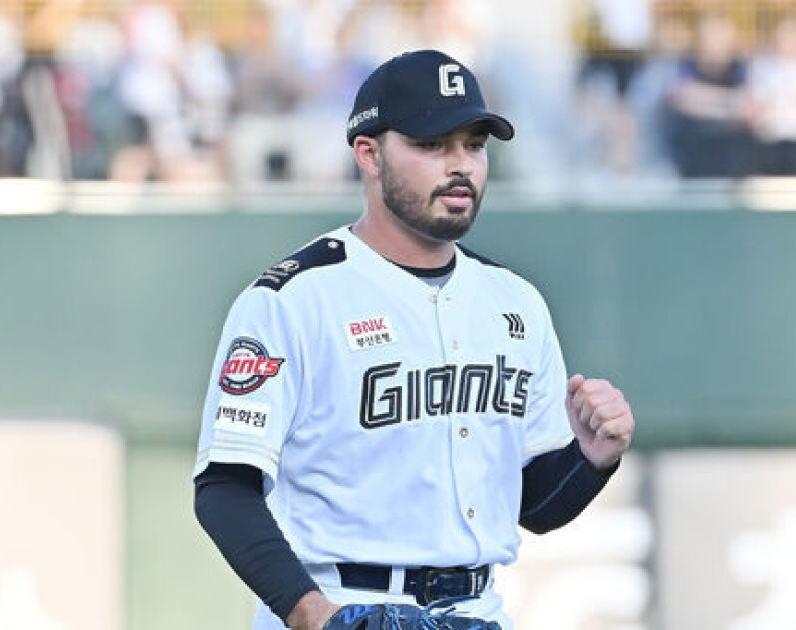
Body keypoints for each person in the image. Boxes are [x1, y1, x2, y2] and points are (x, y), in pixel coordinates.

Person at [192, 49, 635, 630]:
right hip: (338, 599)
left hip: (475, 609)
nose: (461, 166)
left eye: (474, 144)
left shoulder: (516, 302)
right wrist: (312, 613)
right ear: (369, 154)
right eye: (433, 144)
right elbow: (225, 485)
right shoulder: (294, 299)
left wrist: (590, 459)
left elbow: (533, 508)